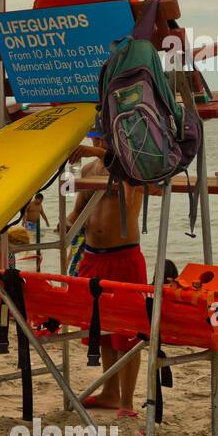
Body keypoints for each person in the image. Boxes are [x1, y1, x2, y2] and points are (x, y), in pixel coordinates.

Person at [66, 141, 146, 418]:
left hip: (123, 256)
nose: (99, 143)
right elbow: (77, 213)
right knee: (103, 331)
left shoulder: (130, 165)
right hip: (92, 256)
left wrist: (97, 152)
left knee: (128, 332)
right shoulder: (89, 169)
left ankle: (127, 400)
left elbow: (125, 169)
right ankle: (110, 393)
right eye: (96, 138)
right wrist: (67, 225)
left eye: (105, 138)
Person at [22, 193, 50, 270]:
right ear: (36, 198)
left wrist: (47, 221)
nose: (41, 202)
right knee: (31, 237)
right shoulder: (30, 204)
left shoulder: (40, 206)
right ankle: (28, 252)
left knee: (39, 236)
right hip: (29, 224)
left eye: (42, 200)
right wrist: (23, 222)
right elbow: (25, 213)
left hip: (36, 225)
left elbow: (42, 213)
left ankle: (35, 251)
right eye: (40, 200)